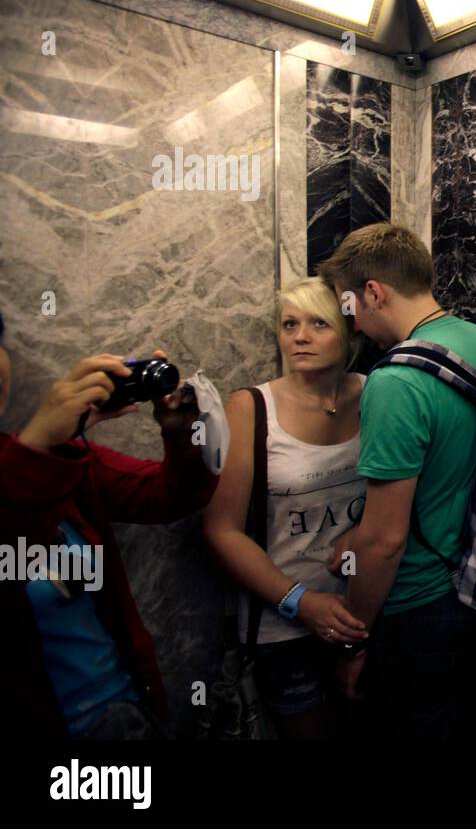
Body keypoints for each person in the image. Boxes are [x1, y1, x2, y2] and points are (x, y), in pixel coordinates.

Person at [0, 309, 218, 738]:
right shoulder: (34, 457)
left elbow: (168, 497)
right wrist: (39, 445)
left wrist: (180, 433)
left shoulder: (43, 457)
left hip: (125, 710)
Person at [316, 223, 476, 738]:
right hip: (475, 583)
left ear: (374, 292)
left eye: (347, 306)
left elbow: (386, 540)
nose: (349, 324)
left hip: (416, 606)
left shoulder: (395, 381)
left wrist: (354, 641)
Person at [202, 278, 368, 739]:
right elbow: (222, 530)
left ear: (350, 332)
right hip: (285, 627)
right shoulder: (253, 407)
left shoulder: (374, 394)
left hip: (366, 614)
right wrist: (299, 602)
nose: (300, 336)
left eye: (319, 323)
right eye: (289, 324)